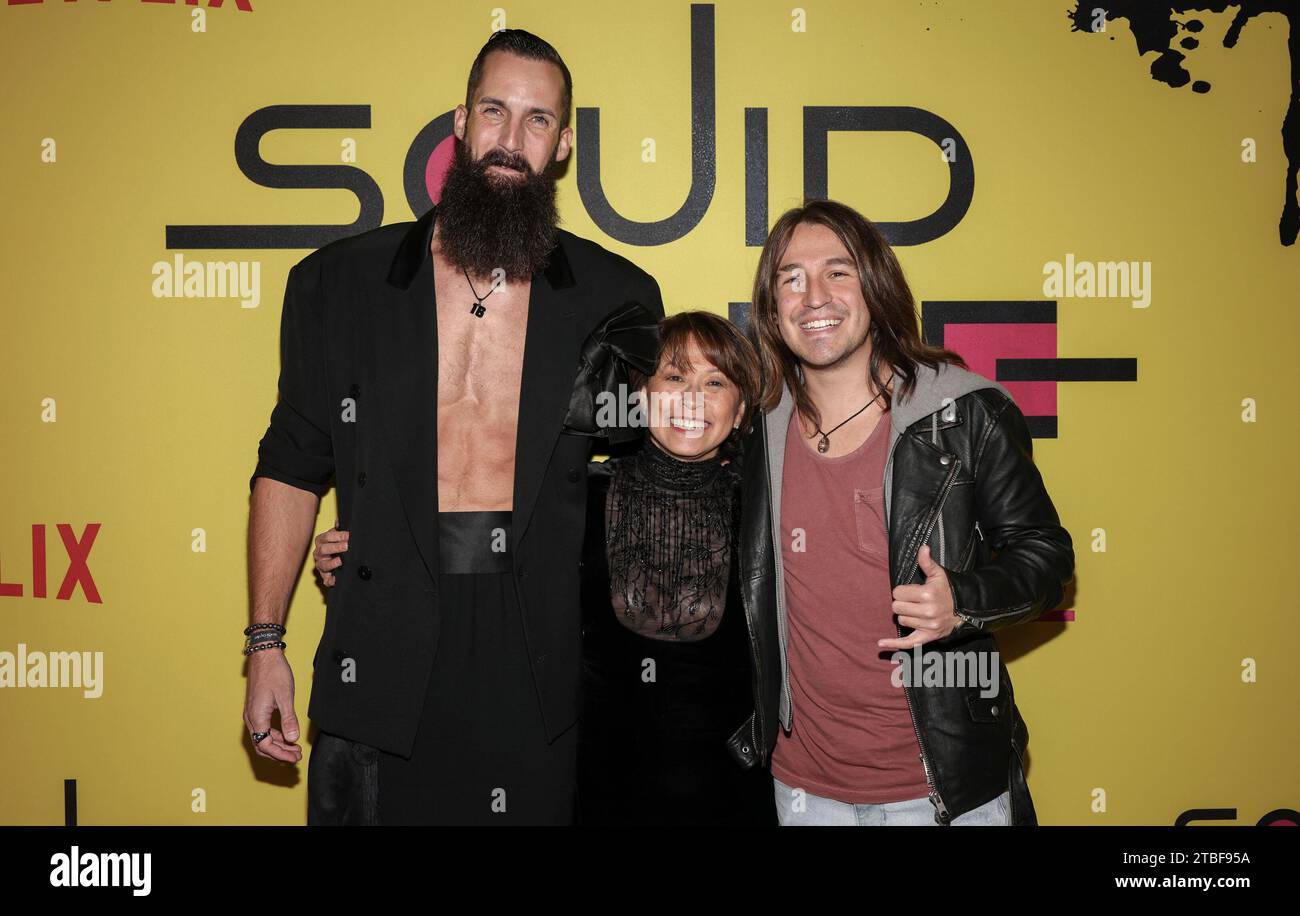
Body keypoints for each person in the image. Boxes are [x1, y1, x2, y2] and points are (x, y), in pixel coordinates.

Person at [243, 28, 664, 825]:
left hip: (537, 668)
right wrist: (267, 645)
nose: (512, 140)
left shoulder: (617, 297)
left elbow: (653, 471)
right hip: (382, 655)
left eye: (538, 120)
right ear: (461, 123)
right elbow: (292, 465)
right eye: (496, 111)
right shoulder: (340, 286)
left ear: (564, 144)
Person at [315, 312, 781, 826]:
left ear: (740, 411)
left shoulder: (770, 512)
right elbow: (473, 553)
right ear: (638, 395)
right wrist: (368, 553)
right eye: (674, 376)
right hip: (594, 781)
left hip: (731, 786)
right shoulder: (577, 493)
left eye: (715, 382)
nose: (692, 398)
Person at [739, 198, 1075, 825]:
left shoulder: (966, 413)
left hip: (940, 786)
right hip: (804, 789)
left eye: (837, 272)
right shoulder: (758, 426)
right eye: (791, 278)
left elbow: (1046, 555)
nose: (814, 295)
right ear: (771, 307)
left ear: (876, 285)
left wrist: (964, 602)